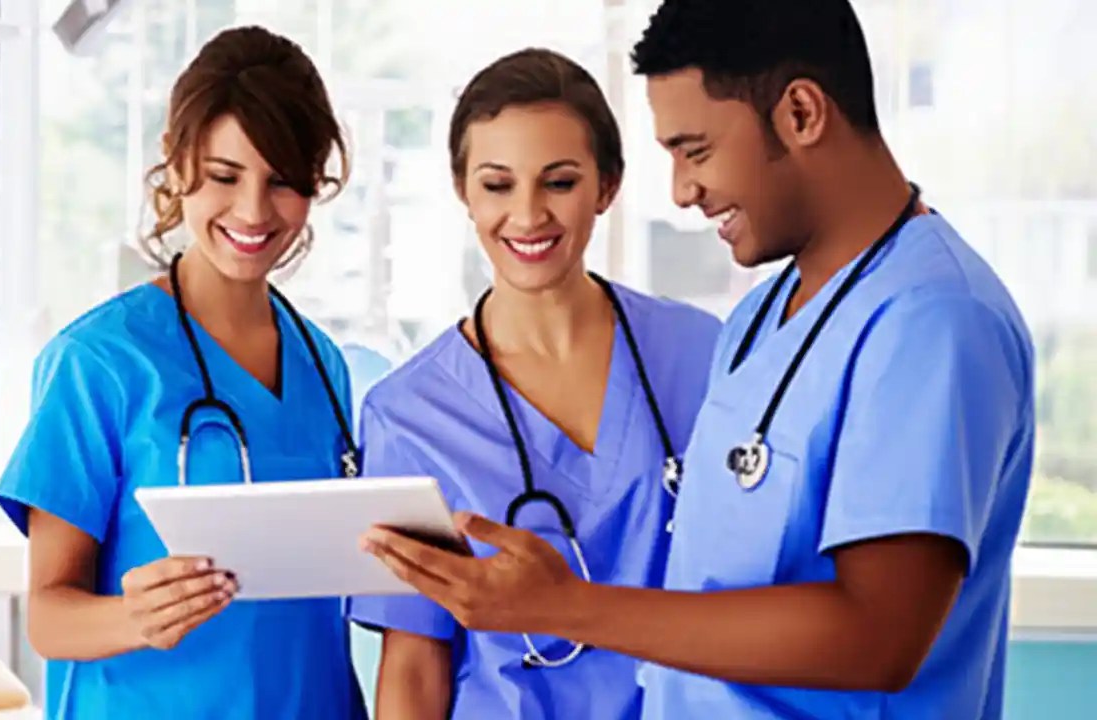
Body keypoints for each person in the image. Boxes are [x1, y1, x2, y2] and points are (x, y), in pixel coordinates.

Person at [360, 1, 1036, 718]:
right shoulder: (758, 320)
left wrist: (565, 606)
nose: (682, 191)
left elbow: (879, 637)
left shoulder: (932, 322)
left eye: (697, 150)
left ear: (801, 113)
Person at [0, 26, 368, 720]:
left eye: (282, 181)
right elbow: (48, 617)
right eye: (224, 176)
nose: (253, 211)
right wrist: (133, 617)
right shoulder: (99, 361)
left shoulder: (323, 364)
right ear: (176, 159)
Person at [347, 48, 722, 719]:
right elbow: (414, 669)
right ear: (463, 191)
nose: (527, 216)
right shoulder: (407, 415)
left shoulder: (703, 354)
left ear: (607, 186)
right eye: (497, 185)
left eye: (559, 182)